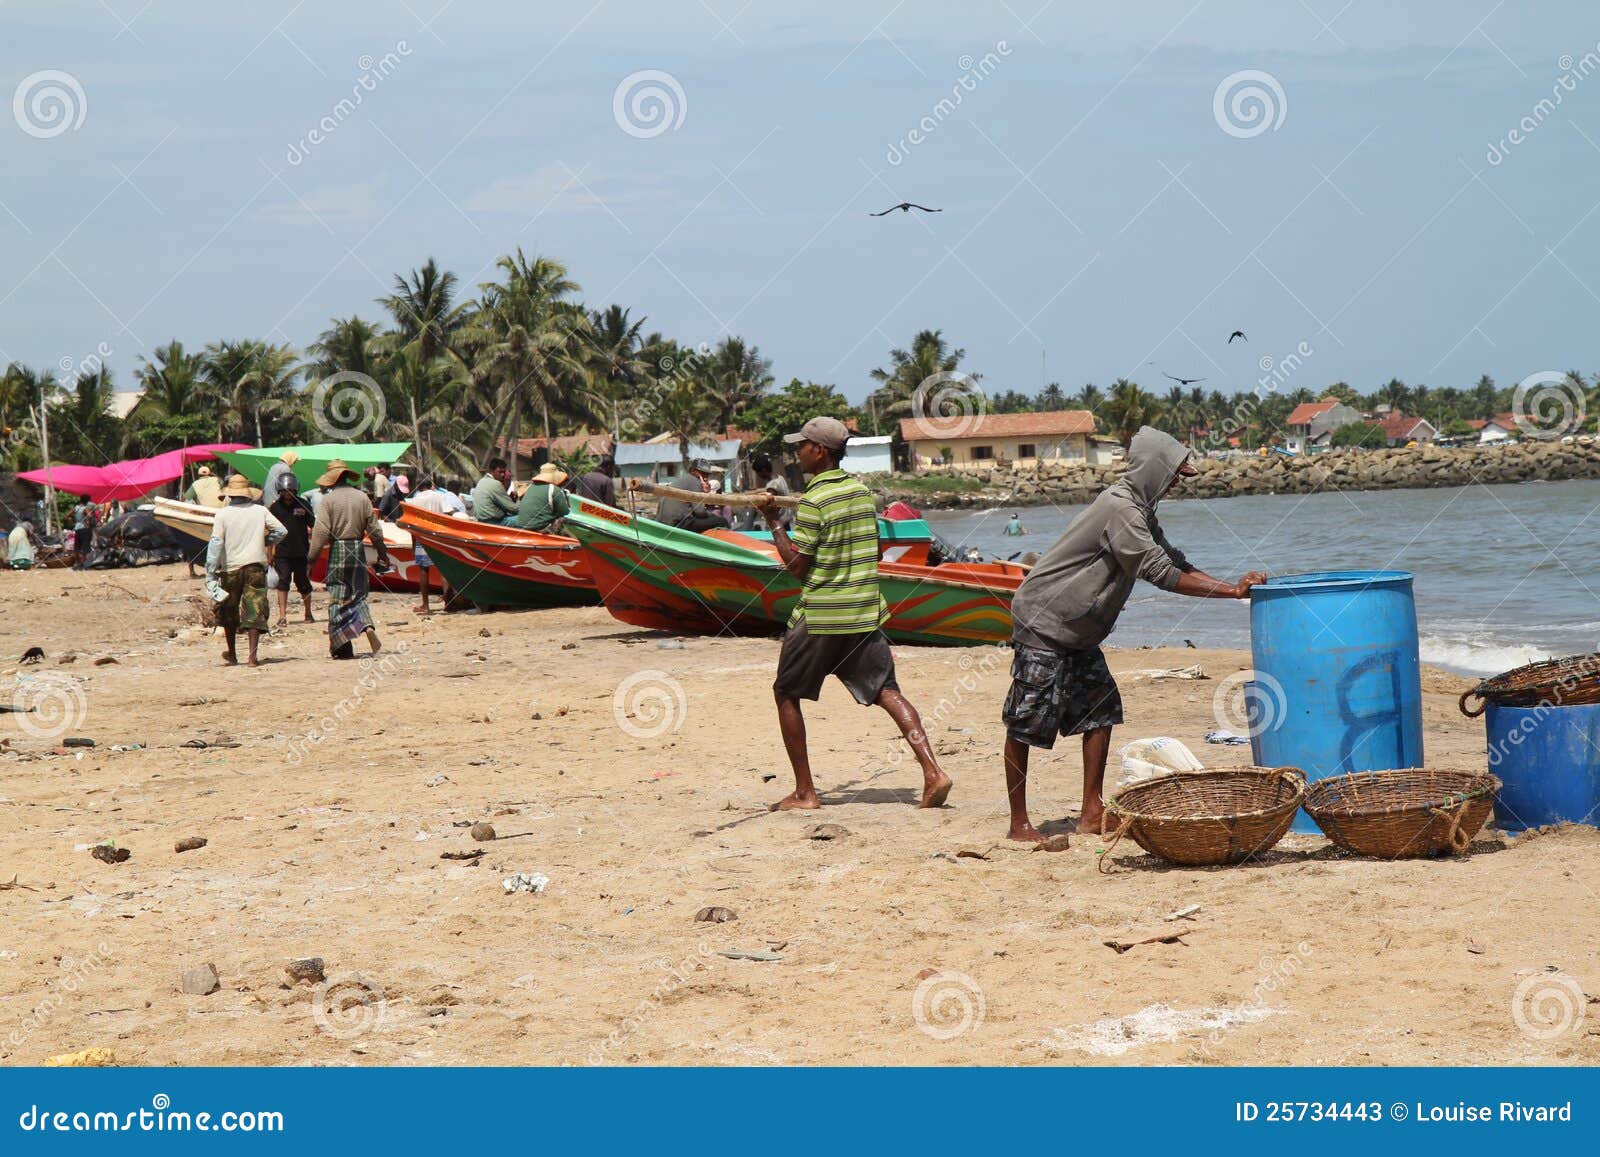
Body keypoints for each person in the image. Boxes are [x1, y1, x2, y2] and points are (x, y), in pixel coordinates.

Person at [1001, 426, 1267, 842]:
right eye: (1176, 473)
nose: (1178, 482)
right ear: (1155, 471)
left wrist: (1233, 588)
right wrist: (1232, 593)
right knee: (1026, 723)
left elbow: (1174, 560)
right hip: (1046, 622)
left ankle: (1091, 812)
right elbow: (1160, 573)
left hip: (1080, 632)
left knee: (1101, 711)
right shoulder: (1120, 509)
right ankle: (1018, 823)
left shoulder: (1140, 511)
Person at [756, 417, 952, 812]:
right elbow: (876, 548)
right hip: (863, 612)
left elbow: (797, 567)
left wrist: (775, 523)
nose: (798, 452)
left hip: (824, 614)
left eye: (804, 445)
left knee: (785, 693)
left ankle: (804, 792)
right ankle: (933, 772)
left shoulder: (814, 501)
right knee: (887, 692)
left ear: (820, 452)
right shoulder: (862, 494)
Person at [307, 458, 392, 660]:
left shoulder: (328, 501)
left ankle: (341, 646)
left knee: (338, 594)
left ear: (332, 479)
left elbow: (320, 534)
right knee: (359, 593)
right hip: (357, 547)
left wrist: (310, 561)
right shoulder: (362, 497)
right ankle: (367, 625)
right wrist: (382, 553)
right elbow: (375, 530)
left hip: (338, 548)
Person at [207, 474, 286, 667]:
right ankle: (252, 657)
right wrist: (265, 541)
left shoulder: (223, 514)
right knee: (255, 610)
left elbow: (216, 544)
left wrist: (210, 571)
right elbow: (281, 531)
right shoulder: (259, 511)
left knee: (228, 611)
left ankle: (233, 654)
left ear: (229, 495)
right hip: (255, 567)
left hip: (230, 569)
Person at [268, 473, 316, 629]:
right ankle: (282, 616)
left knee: (303, 582)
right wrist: (270, 553)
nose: (287, 494)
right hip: (282, 552)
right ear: (279, 491)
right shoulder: (274, 507)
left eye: (290, 490)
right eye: (284, 491)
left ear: (295, 490)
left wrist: (315, 548)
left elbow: (314, 525)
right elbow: (269, 531)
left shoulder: (303, 505)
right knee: (283, 581)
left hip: (301, 551)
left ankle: (308, 612)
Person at [404, 476, 457, 614]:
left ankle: (426, 606)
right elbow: (449, 516)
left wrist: (413, 543)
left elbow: (412, 525)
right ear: (431, 485)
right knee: (444, 570)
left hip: (422, 538)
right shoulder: (441, 496)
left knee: (423, 570)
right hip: (439, 537)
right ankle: (448, 603)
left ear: (418, 486)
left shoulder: (414, 500)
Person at [656, 458, 730, 532]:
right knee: (721, 521)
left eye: (707, 474)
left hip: (664, 522)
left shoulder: (682, 480)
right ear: (693, 471)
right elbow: (699, 512)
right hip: (679, 523)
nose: (705, 477)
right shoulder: (695, 481)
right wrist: (711, 515)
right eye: (702, 473)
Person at [513, 462, 571, 532]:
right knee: (564, 522)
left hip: (521, 527)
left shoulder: (529, 487)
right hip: (540, 529)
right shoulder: (554, 490)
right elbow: (565, 513)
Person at [471, 458, 519, 525]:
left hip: (481, 520)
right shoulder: (496, 484)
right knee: (523, 519)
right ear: (492, 471)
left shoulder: (481, 481)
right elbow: (513, 509)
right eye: (500, 472)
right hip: (493, 522)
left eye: (504, 472)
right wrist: (517, 498)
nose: (502, 475)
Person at [70, 499, 95, 568]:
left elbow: (67, 516)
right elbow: (89, 516)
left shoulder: (76, 508)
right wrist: (88, 521)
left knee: (77, 547)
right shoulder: (85, 509)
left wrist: (73, 523)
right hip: (84, 529)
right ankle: (83, 564)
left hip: (77, 528)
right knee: (85, 547)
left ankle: (78, 563)